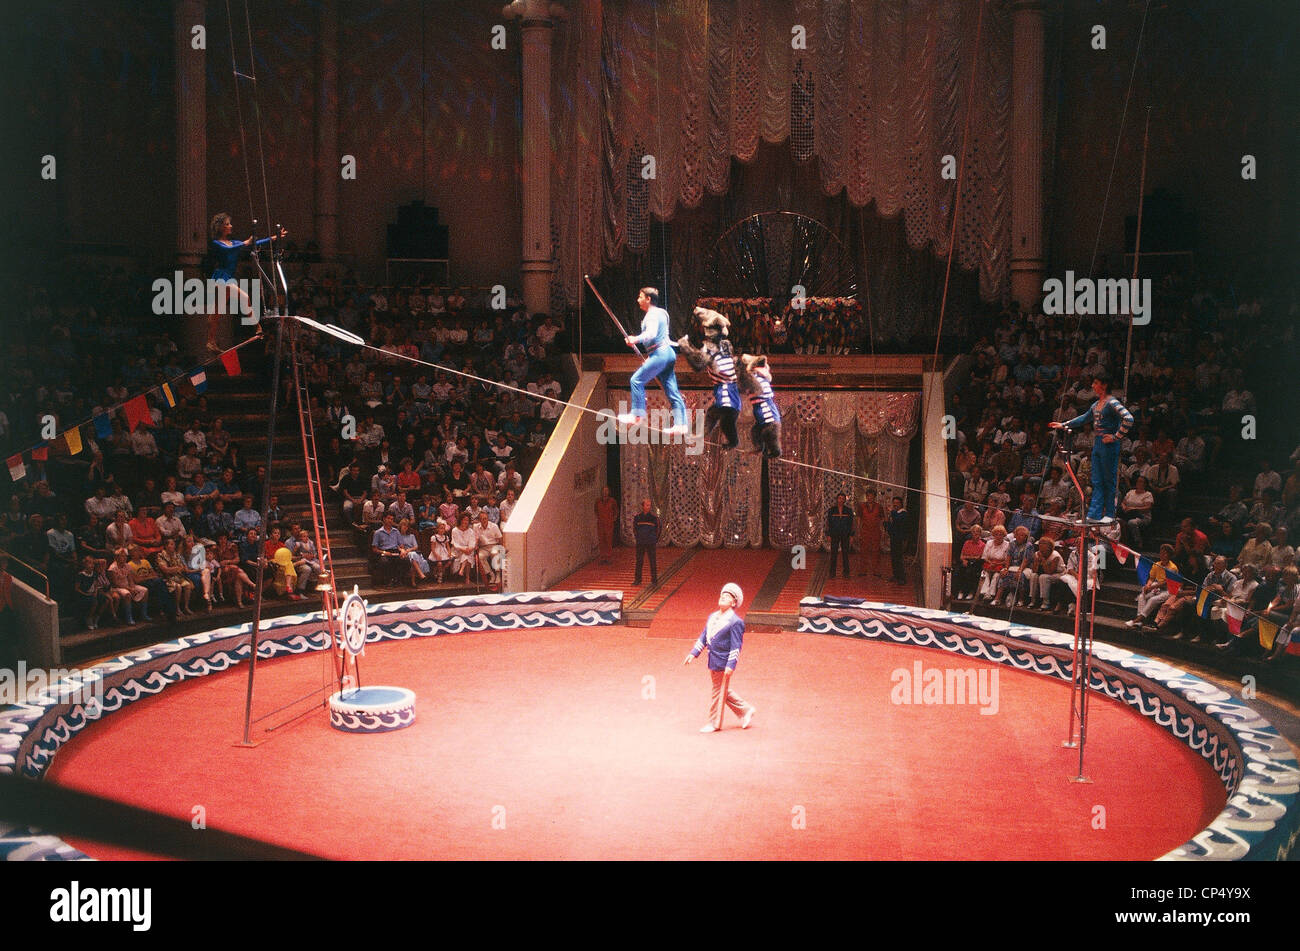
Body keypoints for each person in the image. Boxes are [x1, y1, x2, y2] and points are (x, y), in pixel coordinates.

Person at [1050, 371, 1134, 523]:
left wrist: (1116, 436)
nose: (1093, 385)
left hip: (1109, 445)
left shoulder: (1112, 402)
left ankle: (1109, 514)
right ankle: (1094, 514)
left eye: (1096, 383)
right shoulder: (1096, 404)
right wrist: (1064, 424)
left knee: (1109, 479)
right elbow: (1084, 418)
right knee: (1096, 480)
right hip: (1098, 445)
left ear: (1104, 385)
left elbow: (1128, 418)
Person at [206, 212, 285, 352]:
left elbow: (254, 243)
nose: (231, 226)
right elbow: (227, 249)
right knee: (244, 298)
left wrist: (274, 238)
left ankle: (210, 341)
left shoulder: (235, 243)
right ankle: (257, 327)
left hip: (228, 279)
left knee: (217, 312)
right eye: (227, 224)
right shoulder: (217, 243)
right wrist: (245, 243)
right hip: (220, 278)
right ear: (220, 228)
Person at [683, 583, 755, 733]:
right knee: (721, 689)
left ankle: (714, 722)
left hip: (723, 661)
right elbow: (704, 636)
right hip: (713, 660)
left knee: (718, 691)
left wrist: (731, 664)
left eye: (727, 596)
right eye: (722, 595)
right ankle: (746, 710)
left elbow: (736, 646)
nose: (722, 597)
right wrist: (693, 653)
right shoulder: (712, 617)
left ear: (733, 603)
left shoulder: (736, 622)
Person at [618, 287, 688, 433]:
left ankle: (637, 415)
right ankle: (681, 424)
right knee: (671, 390)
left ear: (648, 299)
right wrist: (651, 357)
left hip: (660, 353)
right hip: (667, 353)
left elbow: (651, 333)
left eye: (640, 297)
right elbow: (661, 337)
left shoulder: (652, 314)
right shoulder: (662, 314)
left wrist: (635, 339)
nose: (638, 300)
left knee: (636, 380)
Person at [826, 492, 854, 579]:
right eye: (839, 498)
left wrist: (852, 535)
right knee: (833, 554)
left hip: (845, 535)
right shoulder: (832, 510)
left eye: (843, 498)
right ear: (837, 499)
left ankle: (846, 573)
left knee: (845, 554)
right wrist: (828, 534)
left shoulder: (848, 511)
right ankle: (832, 573)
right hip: (834, 534)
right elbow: (828, 523)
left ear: (845, 500)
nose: (841, 500)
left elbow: (852, 524)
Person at [633, 498, 660, 586]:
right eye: (647, 505)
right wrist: (638, 538)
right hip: (640, 542)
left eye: (649, 505)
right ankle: (638, 580)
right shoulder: (637, 517)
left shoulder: (654, 518)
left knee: (652, 561)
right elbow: (635, 529)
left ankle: (654, 580)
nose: (648, 507)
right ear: (643, 506)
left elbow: (658, 529)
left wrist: (655, 539)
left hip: (650, 542)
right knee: (639, 561)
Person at [885, 496, 909, 584]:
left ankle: (902, 578)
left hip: (900, 539)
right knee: (894, 558)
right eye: (894, 502)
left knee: (899, 559)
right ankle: (896, 575)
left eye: (897, 503)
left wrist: (892, 512)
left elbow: (898, 521)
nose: (895, 504)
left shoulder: (903, 513)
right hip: (893, 538)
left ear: (901, 504)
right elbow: (890, 524)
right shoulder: (894, 513)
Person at [595, 485, 618, 564]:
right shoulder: (598, 501)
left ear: (609, 492)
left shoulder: (612, 501)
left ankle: (608, 557)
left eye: (606, 490)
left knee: (608, 540)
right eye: (603, 490)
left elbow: (616, 510)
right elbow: (596, 511)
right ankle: (602, 557)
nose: (605, 492)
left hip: (609, 523)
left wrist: (613, 519)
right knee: (601, 540)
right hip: (601, 524)